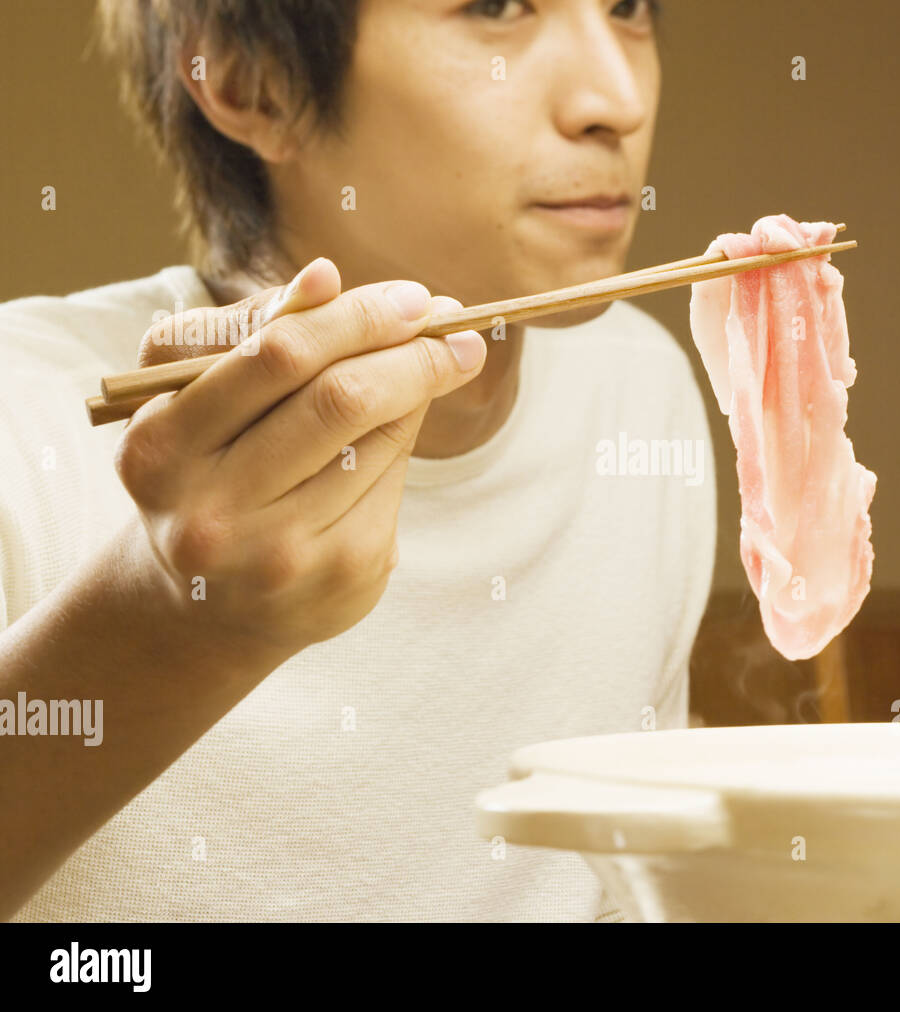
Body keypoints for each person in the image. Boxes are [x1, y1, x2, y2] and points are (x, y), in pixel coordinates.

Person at [0, 0, 715, 921]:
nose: (615, 98)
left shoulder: (639, 390)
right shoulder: (26, 419)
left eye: (629, 7)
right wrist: (177, 621)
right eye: (495, 8)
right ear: (248, 80)